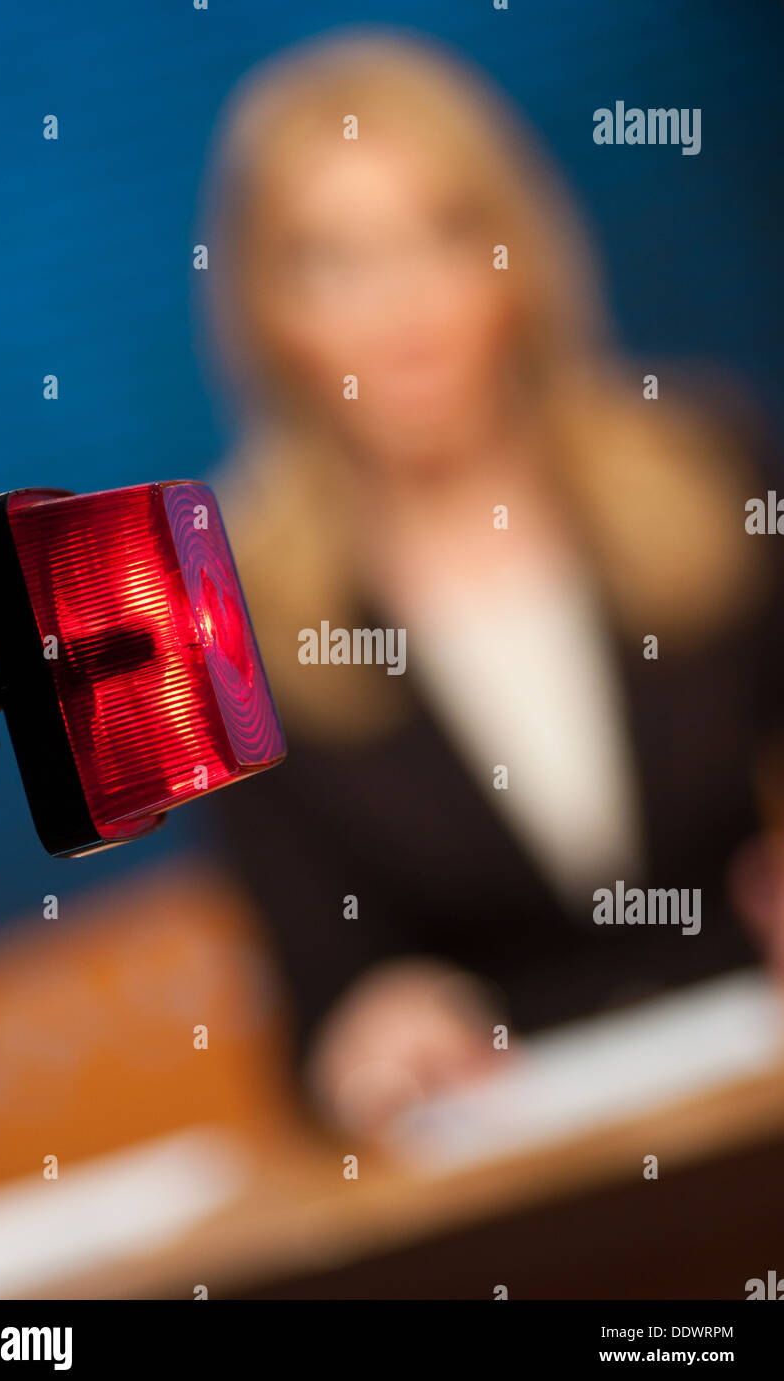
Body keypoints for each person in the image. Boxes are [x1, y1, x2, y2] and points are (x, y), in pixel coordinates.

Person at [201, 32, 784, 1136]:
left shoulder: (715, 471)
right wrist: (367, 1035)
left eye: (440, 233)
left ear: (512, 255)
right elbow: (318, 1001)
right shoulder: (239, 623)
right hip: (504, 1178)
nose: (402, 309)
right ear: (271, 315)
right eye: (334, 260)